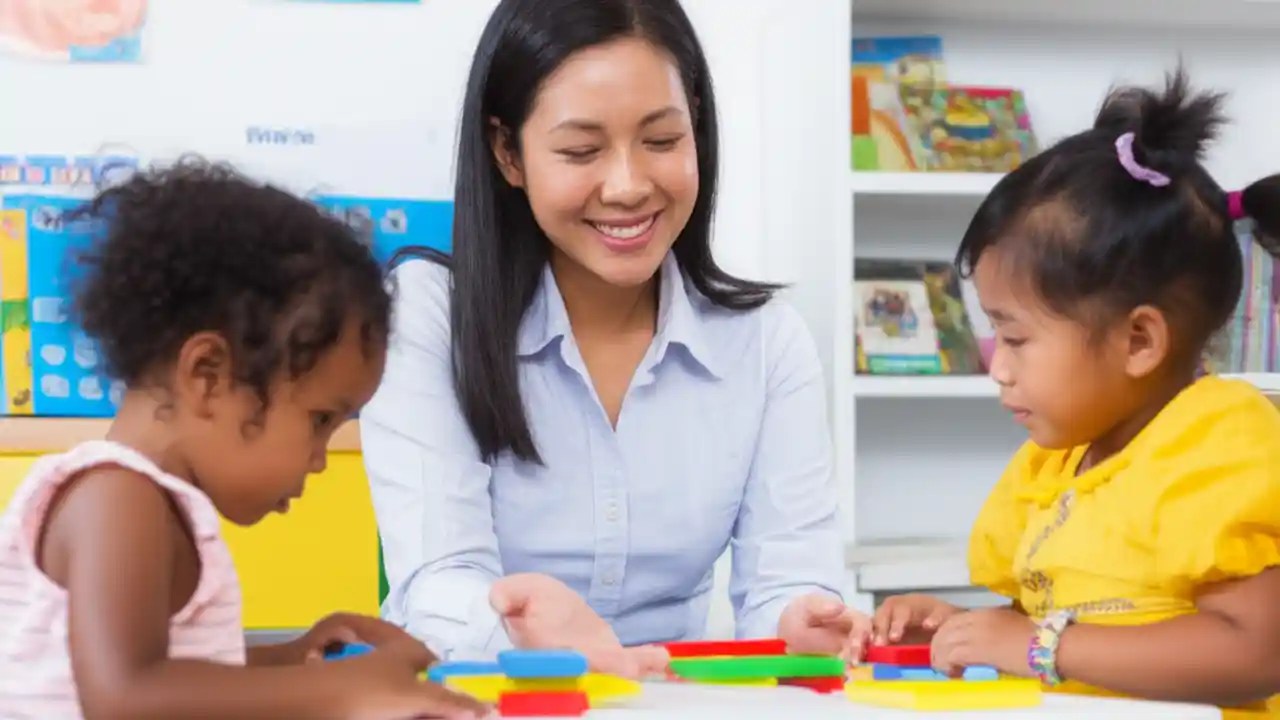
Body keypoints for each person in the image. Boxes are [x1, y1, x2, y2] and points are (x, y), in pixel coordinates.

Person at [362, 0, 867, 673]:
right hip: (485, 698)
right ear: (508, 152)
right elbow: (438, 582)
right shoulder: (429, 318)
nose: (629, 186)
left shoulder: (767, 342)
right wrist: (533, 632)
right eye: (581, 151)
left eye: (661, 141)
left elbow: (787, 580)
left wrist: (799, 621)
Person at [0, 160, 489, 720]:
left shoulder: (146, 503)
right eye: (319, 420)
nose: (320, 460)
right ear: (208, 376)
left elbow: (180, 678)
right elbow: (123, 698)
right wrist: (342, 691)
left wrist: (293, 658)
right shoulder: (118, 498)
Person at [872, 70, 1280, 716]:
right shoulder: (1056, 465)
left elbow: (1254, 654)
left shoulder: (1220, 446)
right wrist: (964, 629)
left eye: (1017, 338)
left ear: (1139, 341)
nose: (998, 369)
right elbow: (1057, 622)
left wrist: (1037, 647)